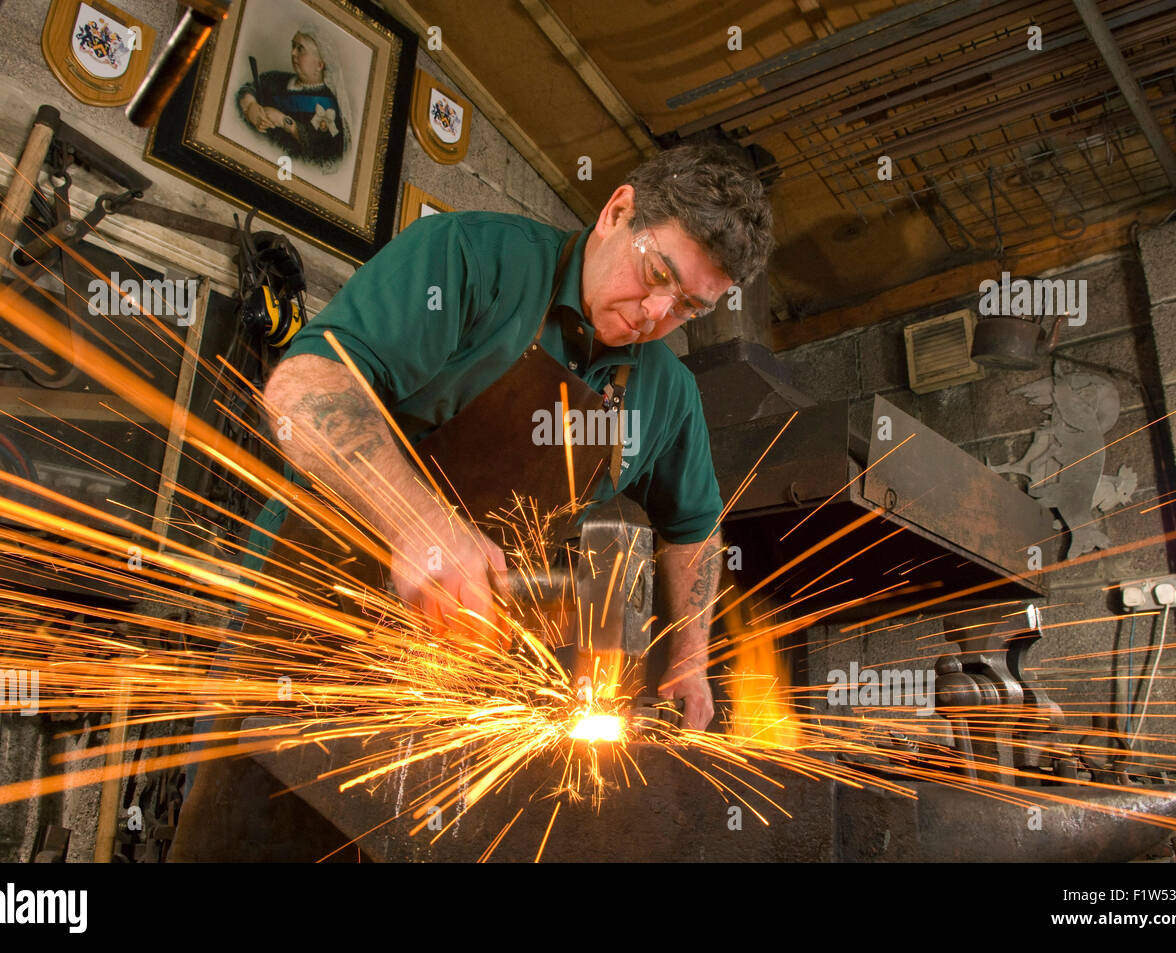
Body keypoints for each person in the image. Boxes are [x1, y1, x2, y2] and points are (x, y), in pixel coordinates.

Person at [169, 144, 773, 861]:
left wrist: (690, 658)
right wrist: (423, 524)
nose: (655, 313)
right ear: (618, 212)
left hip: (472, 662)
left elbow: (694, 528)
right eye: (656, 274)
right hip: (311, 618)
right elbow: (305, 389)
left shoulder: (668, 392)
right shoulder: (470, 261)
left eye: (689, 308)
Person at [236, 28, 348, 170]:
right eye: (293, 46)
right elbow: (247, 89)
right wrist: (250, 105)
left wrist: (285, 122)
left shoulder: (329, 104)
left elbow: (326, 151)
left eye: (300, 49)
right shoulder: (276, 79)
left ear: (319, 65)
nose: (293, 52)